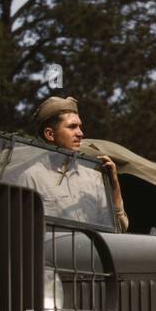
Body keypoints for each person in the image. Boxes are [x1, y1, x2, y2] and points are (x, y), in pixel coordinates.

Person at [16, 96, 129, 230]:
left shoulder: (94, 177)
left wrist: (115, 187)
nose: (80, 133)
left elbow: (119, 229)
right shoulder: (30, 178)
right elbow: (21, 232)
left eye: (79, 127)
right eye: (72, 127)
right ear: (50, 135)